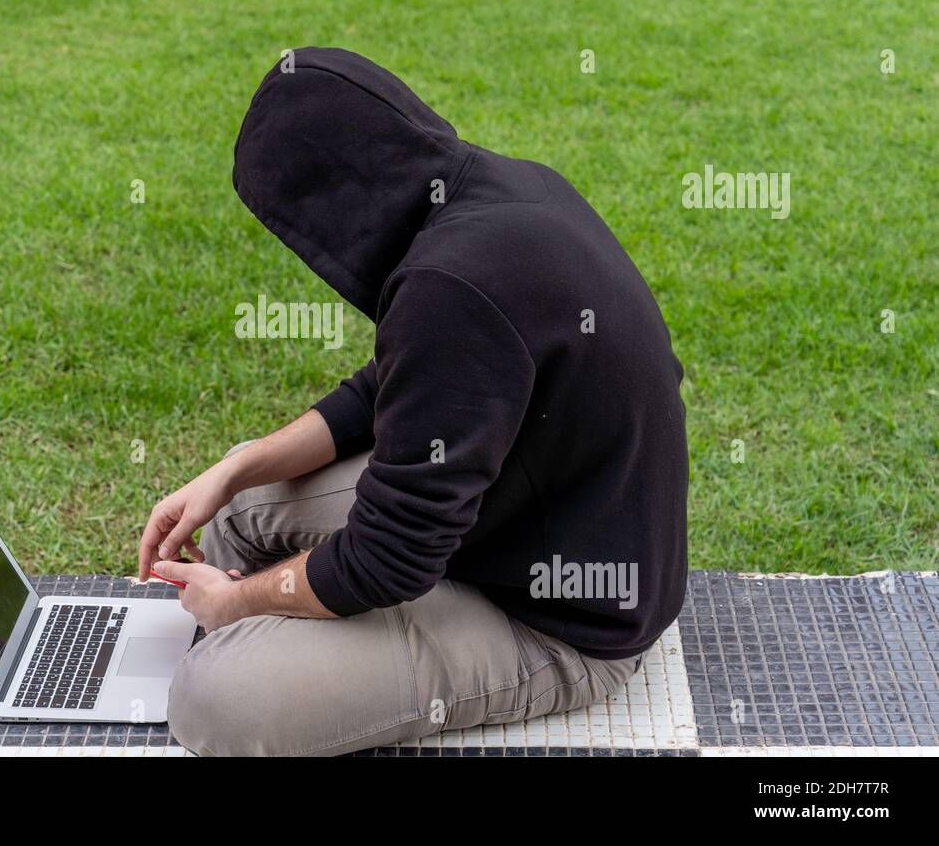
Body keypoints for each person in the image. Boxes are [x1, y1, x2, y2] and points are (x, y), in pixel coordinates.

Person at [140, 47, 688, 756]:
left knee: (215, 699)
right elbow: (393, 388)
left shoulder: (448, 288)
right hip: (525, 520)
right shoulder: (500, 197)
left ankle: (272, 634)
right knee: (240, 514)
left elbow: (390, 558)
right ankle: (285, 619)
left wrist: (239, 603)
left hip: (568, 622)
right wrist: (235, 468)